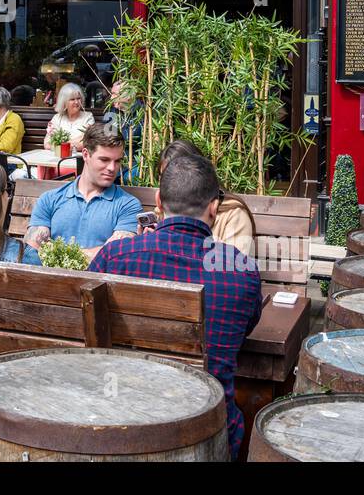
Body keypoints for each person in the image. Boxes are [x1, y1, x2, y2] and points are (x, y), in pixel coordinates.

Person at [89, 153, 263, 459]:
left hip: (121, 426)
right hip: (205, 435)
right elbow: (243, 332)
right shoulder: (241, 272)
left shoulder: (114, 258)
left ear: (157, 201)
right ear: (214, 208)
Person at [23, 123, 141, 264]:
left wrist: (56, 252)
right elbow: (33, 252)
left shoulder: (128, 205)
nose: (112, 168)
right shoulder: (50, 199)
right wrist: (95, 253)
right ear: (85, 154)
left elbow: (117, 255)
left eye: (117, 161)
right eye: (104, 160)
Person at [157, 139, 256, 260]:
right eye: (165, 177)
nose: (172, 183)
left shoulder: (233, 215)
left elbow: (235, 268)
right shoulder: (163, 208)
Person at [103, 82, 145, 185]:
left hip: (135, 162)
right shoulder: (111, 112)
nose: (111, 97)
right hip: (114, 160)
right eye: (111, 93)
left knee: (131, 177)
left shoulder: (143, 113)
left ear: (128, 96)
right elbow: (108, 138)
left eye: (115, 94)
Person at [43, 82, 95, 150]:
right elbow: (47, 144)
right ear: (64, 102)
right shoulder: (57, 118)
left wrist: (60, 145)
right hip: (57, 157)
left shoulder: (88, 117)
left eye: (78, 98)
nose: (76, 102)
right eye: (72, 99)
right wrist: (74, 143)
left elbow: (86, 142)